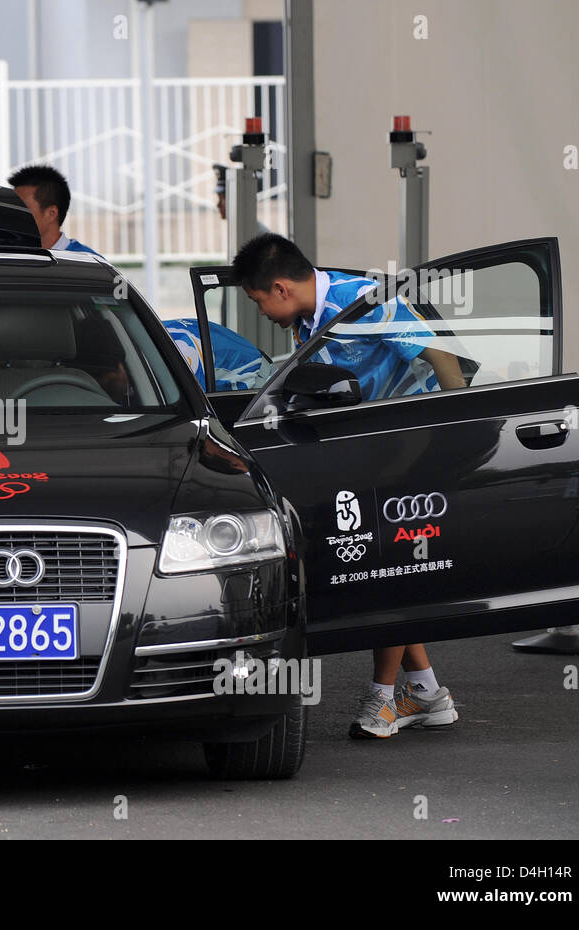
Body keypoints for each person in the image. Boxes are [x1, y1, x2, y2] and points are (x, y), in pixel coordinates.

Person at [231, 233, 465, 740]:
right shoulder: (310, 319)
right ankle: (425, 691)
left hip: (410, 444)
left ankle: (383, 701)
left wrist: (460, 431)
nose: (261, 313)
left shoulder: (363, 302)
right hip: (368, 450)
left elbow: (439, 354)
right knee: (382, 567)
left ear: (279, 288)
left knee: (388, 572)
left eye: (257, 302)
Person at [8, 164, 100, 255]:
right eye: (12, 207)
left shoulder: (89, 264)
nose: (13, 215)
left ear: (52, 213)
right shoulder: (8, 256)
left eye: (22, 207)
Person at [162, 317, 267, 392]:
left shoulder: (184, 351)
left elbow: (198, 405)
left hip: (258, 379)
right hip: (247, 357)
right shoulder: (154, 330)